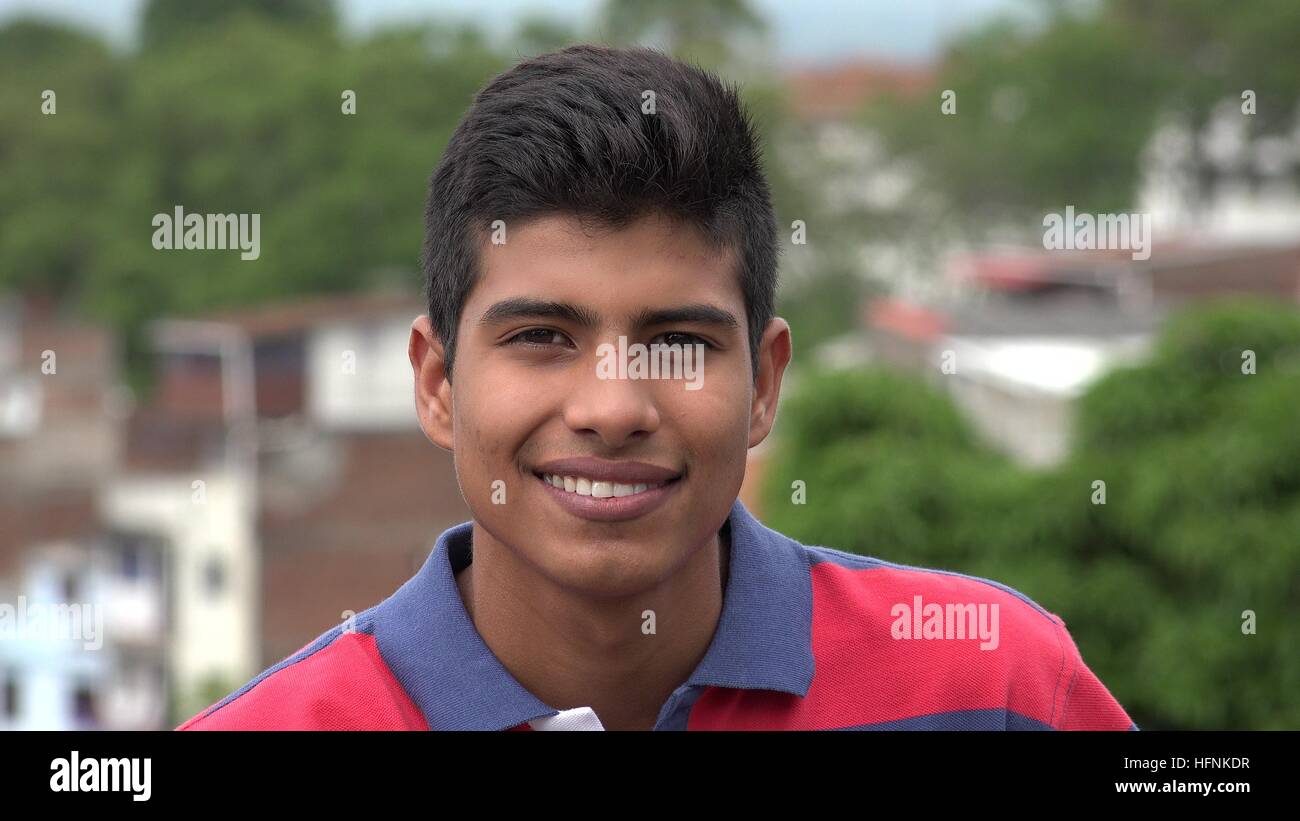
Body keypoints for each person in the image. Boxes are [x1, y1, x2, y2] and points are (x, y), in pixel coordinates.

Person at [179, 45, 1135, 731]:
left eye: (678, 342)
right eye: (543, 336)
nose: (612, 407)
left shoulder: (994, 686)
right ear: (437, 382)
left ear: (763, 385)